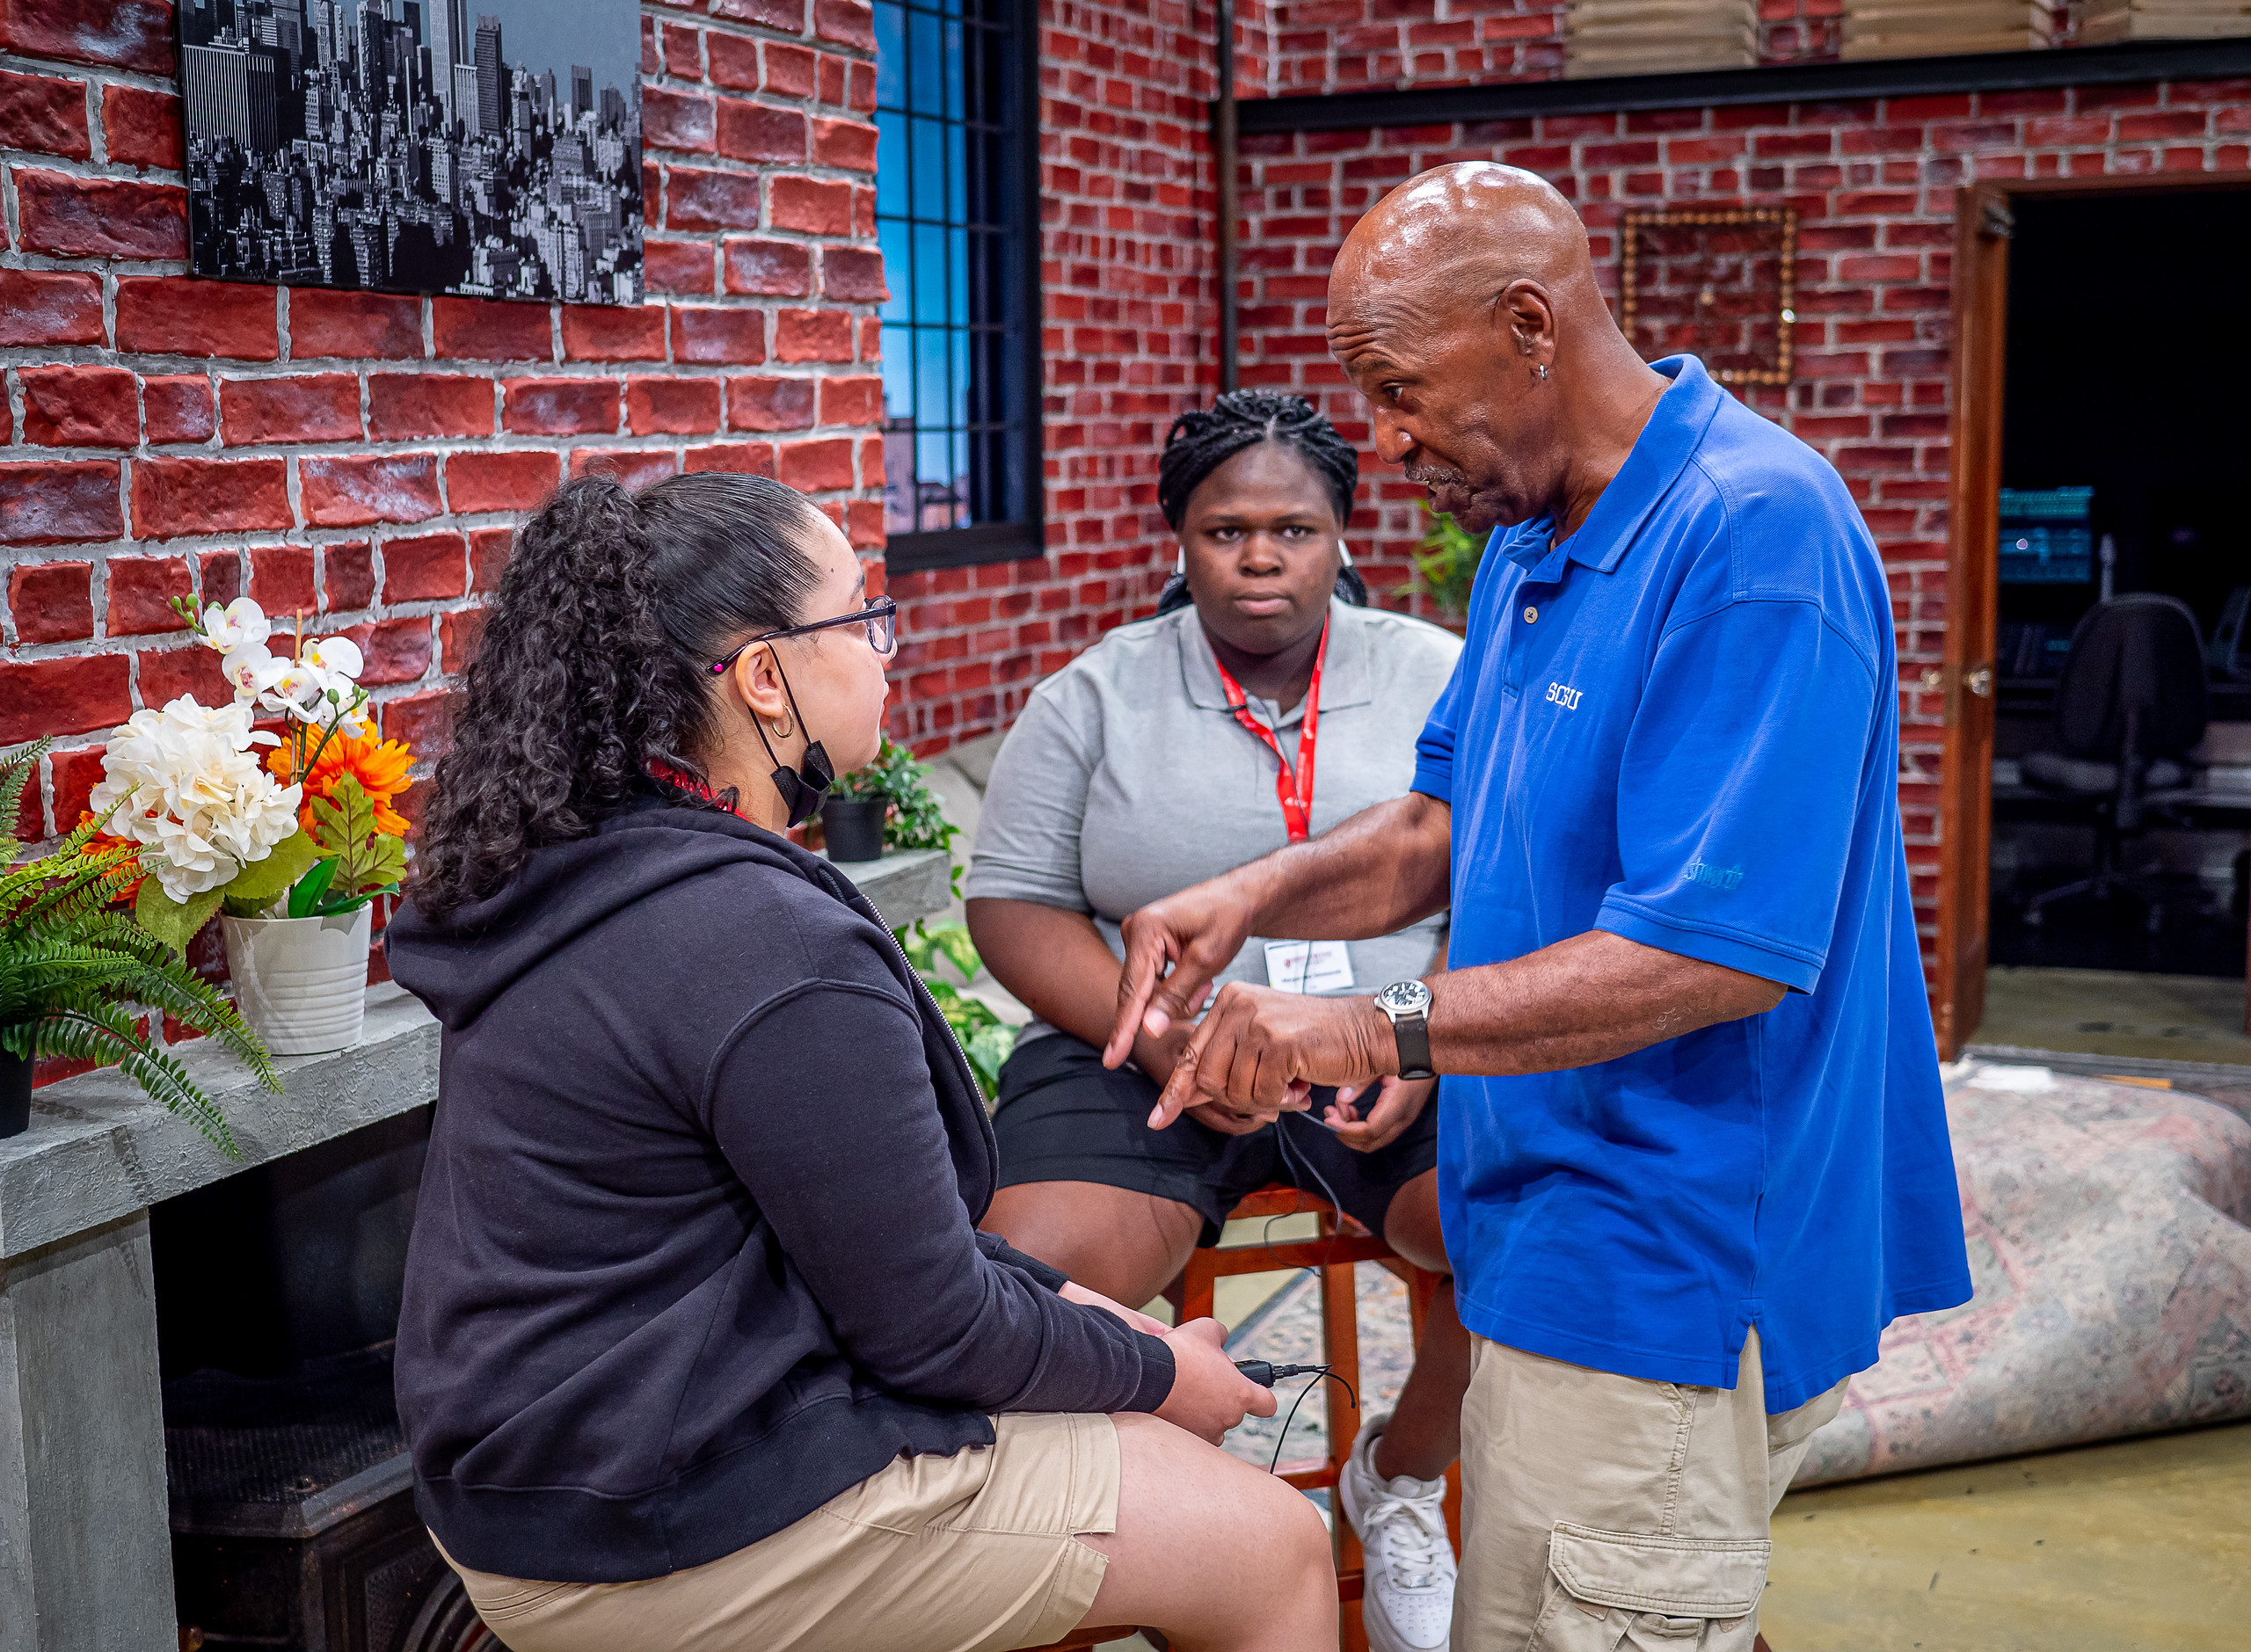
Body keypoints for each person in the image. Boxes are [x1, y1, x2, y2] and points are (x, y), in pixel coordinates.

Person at [1103, 164, 1975, 1649]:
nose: (1382, 440)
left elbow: (1707, 955)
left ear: (1526, 326)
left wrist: (1365, 1032)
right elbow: (1449, 822)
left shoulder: (1755, 536)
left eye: (1399, 389)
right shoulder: (1531, 531)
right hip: (1549, 1218)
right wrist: (1255, 890)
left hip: (1670, 1255)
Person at [384, 471, 1337, 1652]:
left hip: (540, 1476)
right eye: (861, 618)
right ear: (766, 681)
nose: (890, 651)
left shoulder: (587, 872)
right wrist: (1160, 1379)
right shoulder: (766, 943)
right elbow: (932, 1330)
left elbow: (884, 1250)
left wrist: (1119, 1337)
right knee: (1275, 1546)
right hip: (659, 1518)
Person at [968, 391, 1468, 1652]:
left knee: (1518, 1228)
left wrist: (1413, 1035)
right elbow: (1014, 905)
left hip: (1387, 1049)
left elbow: (1509, 884)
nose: (1258, 559)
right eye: (1223, 530)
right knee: (1027, 1280)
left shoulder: (1438, 675)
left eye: (1293, 530)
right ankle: (1164, 1534)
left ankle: (1399, 1480)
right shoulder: (1094, 695)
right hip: (1144, 1054)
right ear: (1176, 542)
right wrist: (1165, 1041)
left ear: (1343, 537)